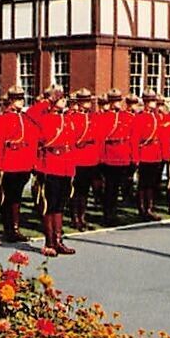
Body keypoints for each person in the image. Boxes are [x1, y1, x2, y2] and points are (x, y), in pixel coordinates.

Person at [35, 88, 77, 255]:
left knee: (60, 204)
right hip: (50, 165)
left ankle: (58, 240)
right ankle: (49, 242)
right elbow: (37, 143)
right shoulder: (43, 119)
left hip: (65, 165)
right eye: (61, 99)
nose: (64, 101)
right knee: (49, 205)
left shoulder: (66, 119)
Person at [0, 87, 36, 243]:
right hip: (9, 162)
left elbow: (32, 140)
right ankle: (8, 229)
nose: (21, 101)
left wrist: (32, 162)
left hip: (23, 162)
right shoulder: (3, 119)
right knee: (8, 197)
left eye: (22, 98)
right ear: (11, 101)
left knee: (17, 197)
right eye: (18, 99)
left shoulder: (25, 118)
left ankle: (16, 228)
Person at [98, 88, 134, 225]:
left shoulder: (127, 117)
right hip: (110, 155)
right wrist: (101, 158)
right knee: (110, 188)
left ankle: (114, 213)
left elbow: (131, 138)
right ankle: (108, 215)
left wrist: (131, 156)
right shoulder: (104, 117)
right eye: (115, 101)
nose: (118, 103)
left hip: (123, 154)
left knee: (118, 186)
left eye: (119, 100)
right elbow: (101, 138)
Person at [68, 88, 103, 231]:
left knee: (85, 191)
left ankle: (82, 217)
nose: (88, 104)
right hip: (78, 158)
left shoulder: (93, 117)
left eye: (89, 101)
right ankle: (75, 218)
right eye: (86, 101)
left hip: (91, 158)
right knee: (76, 191)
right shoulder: (72, 118)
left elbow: (98, 137)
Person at [132, 90, 166, 220]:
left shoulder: (156, 117)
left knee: (151, 183)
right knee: (143, 183)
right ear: (146, 103)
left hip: (155, 154)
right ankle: (142, 209)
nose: (154, 104)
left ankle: (149, 208)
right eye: (151, 101)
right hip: (144, 154)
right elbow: (135, 139)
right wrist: (135, 158)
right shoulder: (139, 117)